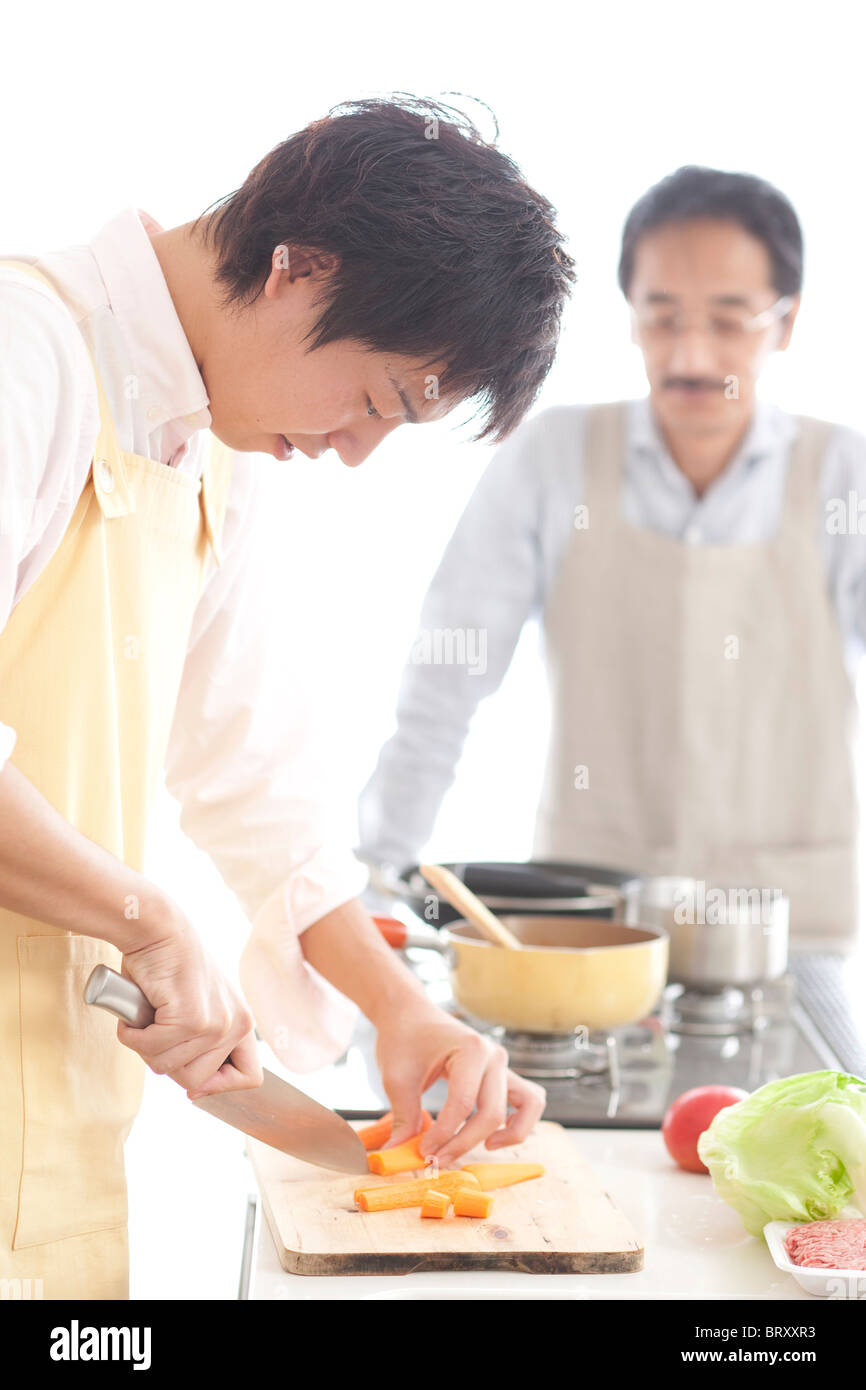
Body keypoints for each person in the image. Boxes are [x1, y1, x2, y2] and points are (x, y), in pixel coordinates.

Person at [0, 96, 573, 1299]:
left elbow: (255, 776)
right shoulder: (25, 353)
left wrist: (401, 1010)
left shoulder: (209, 439)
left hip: (49, 1107)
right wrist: (149, 919)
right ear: (297, 268)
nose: (355, 451)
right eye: (378, 400)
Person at [358, 164, 866, 952]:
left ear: (787, 321)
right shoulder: (553, 458)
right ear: (629, 316)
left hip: (792, 926)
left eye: (729, 320)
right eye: (662, 317)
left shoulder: (844, 475)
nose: (691, 354)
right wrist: (383, 876)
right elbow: (444, 682)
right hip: (589, 920)